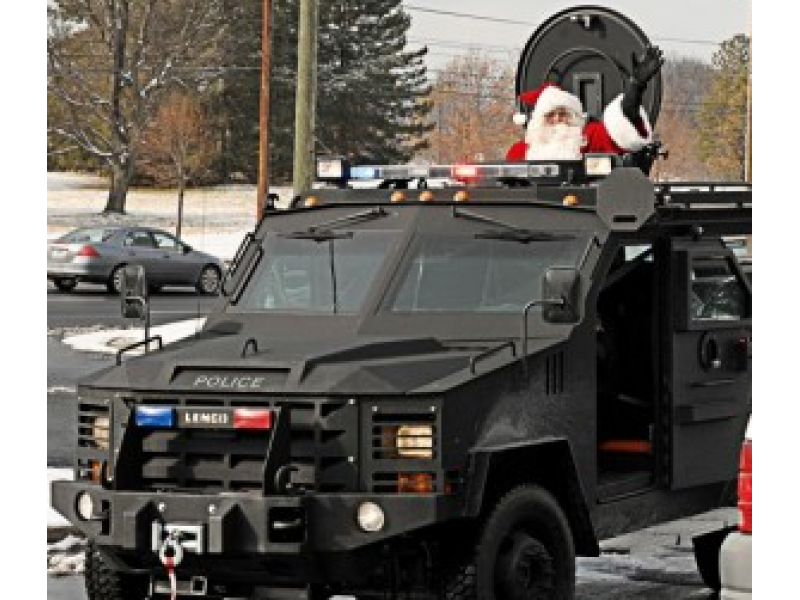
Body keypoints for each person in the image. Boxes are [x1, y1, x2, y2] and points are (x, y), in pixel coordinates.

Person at [506, 46, 664, 161]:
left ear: (573, 116)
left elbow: (622, 130)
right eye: (550, 115)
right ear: (539, 120)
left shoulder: (588, 138)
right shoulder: (519, 152)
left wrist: (635, 88)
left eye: (563, 113)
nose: (557, 119)